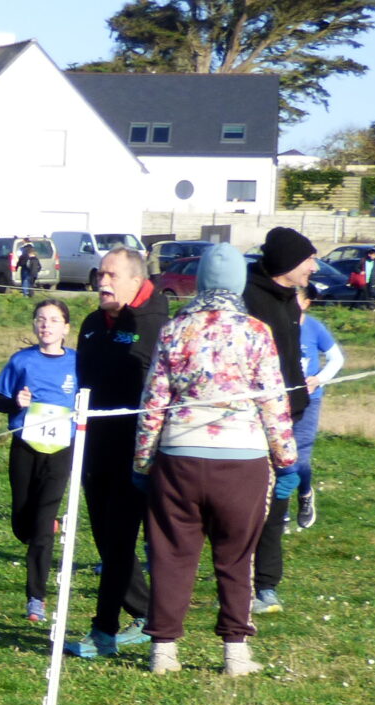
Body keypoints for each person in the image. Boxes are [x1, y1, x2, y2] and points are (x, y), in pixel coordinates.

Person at [133, 244, 296, 678]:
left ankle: (163, 652)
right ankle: (235, 654)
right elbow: (273, 401)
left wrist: (143, 460)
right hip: (242, 460)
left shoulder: (173, 330)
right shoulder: (257, 332)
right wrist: (287, 460)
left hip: (179, 457)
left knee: (169, 554)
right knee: (236, 556)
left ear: (201, 280)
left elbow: (154, 402)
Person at [66, 245, 169, 658]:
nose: (101, 282)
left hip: (139, 450)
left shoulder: (157, 323)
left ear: (136, 279)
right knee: (108, 541)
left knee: (121, 536)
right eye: (99, 275)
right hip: (96, 446)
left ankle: (104, 632)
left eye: (110, 275)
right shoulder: (92, 323)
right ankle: (147, 613)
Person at [242, 226, 316, 616]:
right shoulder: (250, 300)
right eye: (308, 259)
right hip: (252, 419)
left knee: (278, 502)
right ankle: (240, 580)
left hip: (290, 415)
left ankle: (266, 585)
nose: (314, 266)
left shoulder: (290, 301)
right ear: (287, 263)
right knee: (247, 504)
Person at [0, 300, 80, 623]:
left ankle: (36, 598)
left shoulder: (77, 362)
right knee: (22, 520)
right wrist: (15, 401)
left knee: (42, 527)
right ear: (34, 325)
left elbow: (90, 397)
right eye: (41, 319)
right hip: (25, 446)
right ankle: (38, 528)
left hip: (61, 448)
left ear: (65, 328)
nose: (46, 325)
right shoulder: (21, 361)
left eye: (54, 320)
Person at [293, 288, 343, 524]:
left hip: (309, 401)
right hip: (280, 401)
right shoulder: (276, 327)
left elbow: (337, 358)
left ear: (306, 303)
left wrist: (320, 378)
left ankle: (304, 494)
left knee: (300, 458)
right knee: (278, 458)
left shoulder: (314, 328)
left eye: (294, 300)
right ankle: (278, 511)